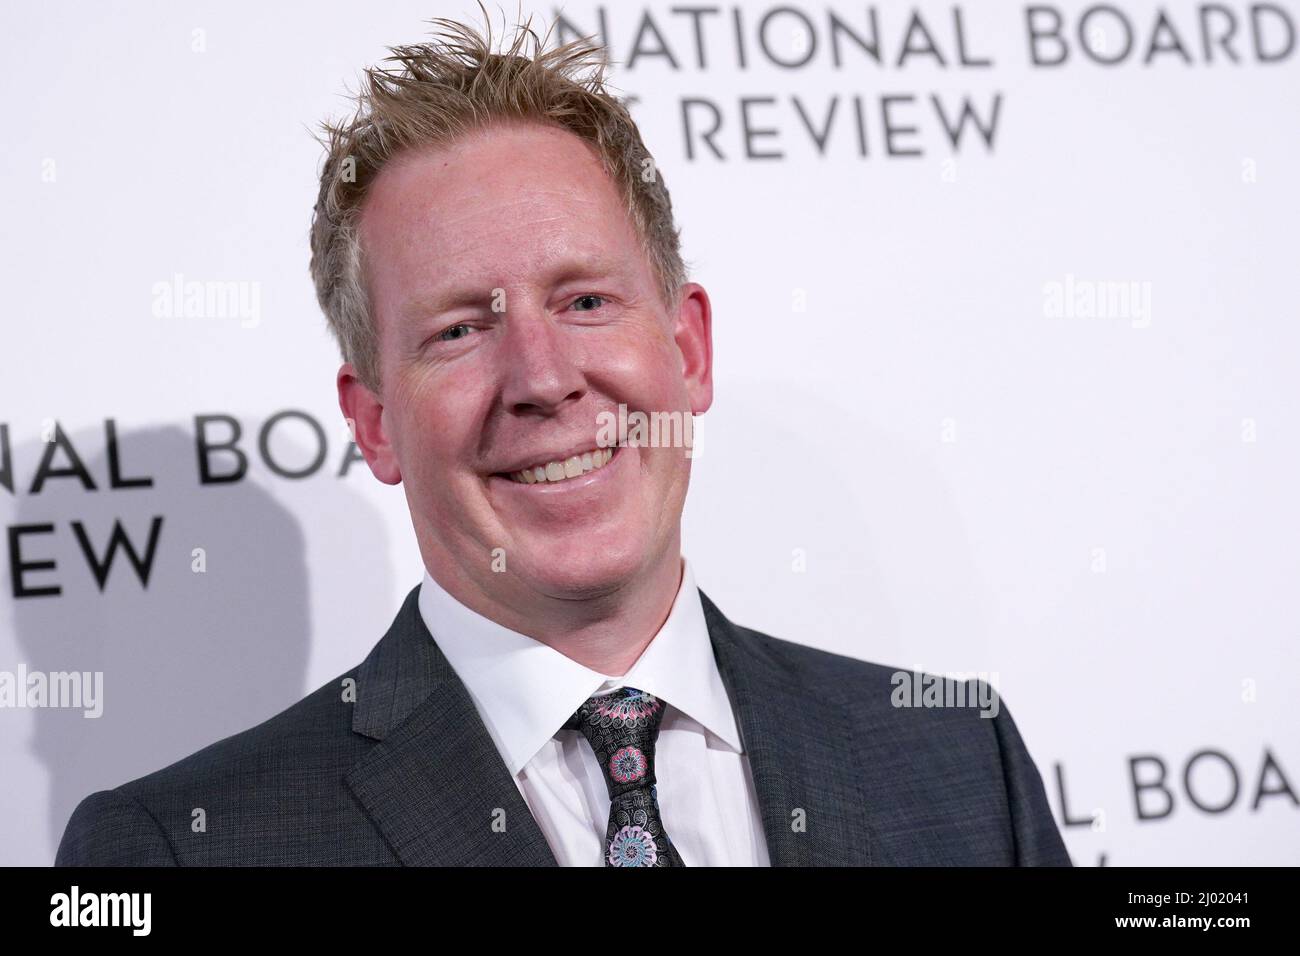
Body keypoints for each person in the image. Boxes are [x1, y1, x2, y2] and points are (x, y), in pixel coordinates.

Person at [55, 13, 1070, 867]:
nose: (541, 378)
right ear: (373, 421)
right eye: (460, 329)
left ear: (688, 348)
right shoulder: (183, 848)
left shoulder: (955, 764)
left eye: (584, 299)